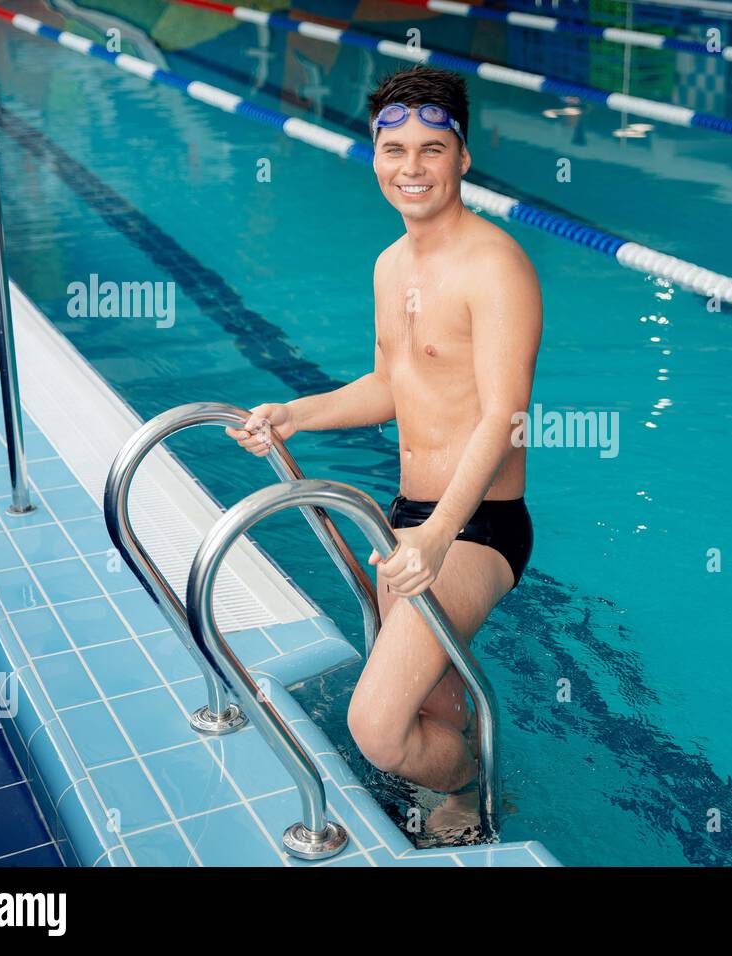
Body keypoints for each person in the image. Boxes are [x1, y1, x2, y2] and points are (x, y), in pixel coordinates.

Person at [226, 65, 541, 808]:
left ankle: (469, 794)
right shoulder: (389, 265)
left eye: (432, 149)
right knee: (427, 700)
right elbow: (388, 389)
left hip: (475, 527)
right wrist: (295, 413)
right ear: (373, 156)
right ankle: (453, 776)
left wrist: (437, 536)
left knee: (377, 726)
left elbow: (504, 416)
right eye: (394, 150)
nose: (412, 168)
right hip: (405, 518)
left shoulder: (495, 266)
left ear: (463, 157)